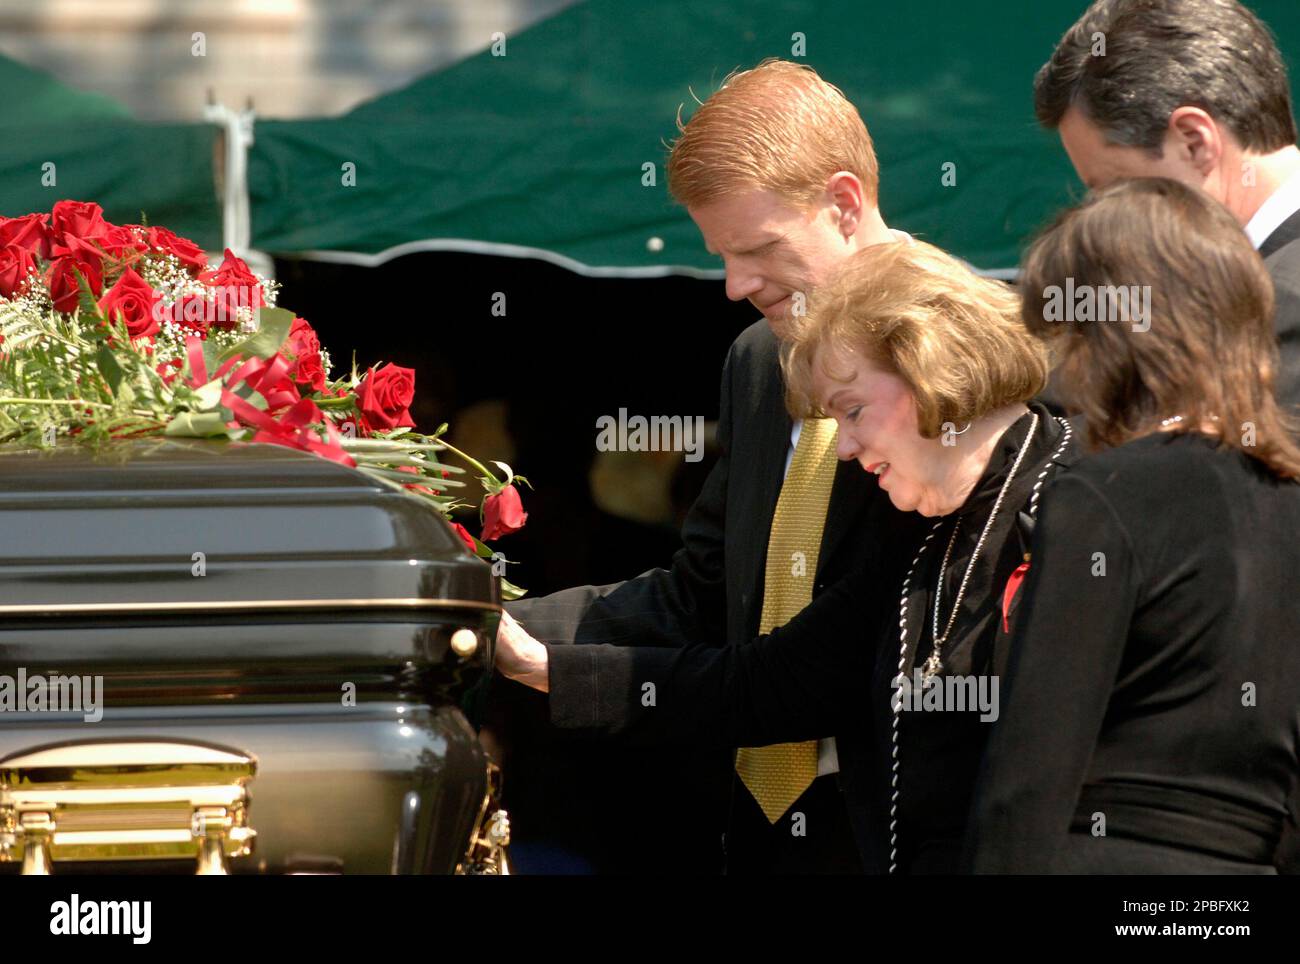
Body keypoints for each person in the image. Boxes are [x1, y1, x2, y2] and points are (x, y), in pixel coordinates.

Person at [495, 238, 1079, 874]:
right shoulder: (917, 536)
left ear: (931, 369)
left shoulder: (1081, 503)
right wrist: (540, 662)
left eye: (852, 413)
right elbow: (770, 682)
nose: (846, 448)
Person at [488, 59, 909, 874]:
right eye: (722, 253)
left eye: (758, 249)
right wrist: (483, 623)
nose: (735, 285)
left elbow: (832, 666)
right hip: (763, 831)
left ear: (846, 204)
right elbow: (704, 589)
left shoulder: (965, 355)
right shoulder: (758, 361)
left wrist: (564, 673)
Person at [965, 177, 1300, 873]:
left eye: (1071, 336)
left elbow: (1030, 770)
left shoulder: (1106, 493)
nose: (1065, 370)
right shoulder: (1287, 497)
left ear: (1114, 339)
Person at [1034, 0, 1300, 418]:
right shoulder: (1250, 284)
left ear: (1194, 141)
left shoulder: (1282, 302)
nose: (1108, 220)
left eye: (1114, 189)